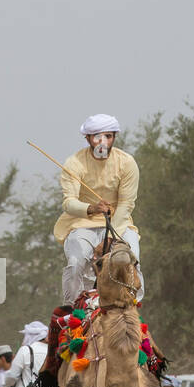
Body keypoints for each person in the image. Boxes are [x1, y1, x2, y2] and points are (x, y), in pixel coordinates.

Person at [52, 114, 142, 305]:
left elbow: (126, 204)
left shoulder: (127, 163)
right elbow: (68, 203)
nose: (103, 142)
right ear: (87, 139)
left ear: (114, 137)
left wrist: (110, 238)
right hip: (81, 224)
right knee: (76, 263)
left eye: (108, 136)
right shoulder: (74, 163)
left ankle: (133, 307)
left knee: (132, 258)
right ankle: (72, 309)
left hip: (119, 223)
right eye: (97, 137)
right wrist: (92, 208)